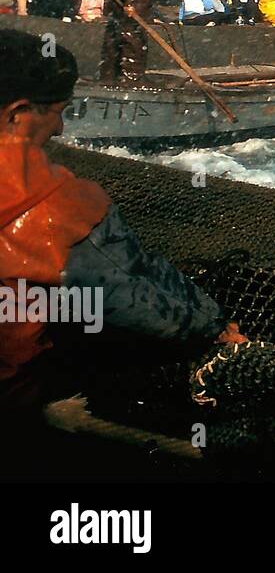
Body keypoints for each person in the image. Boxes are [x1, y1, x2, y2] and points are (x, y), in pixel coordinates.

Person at [0, 29, 244, 413]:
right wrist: (214, 331)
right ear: (17, 113)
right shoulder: (57, 208)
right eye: (58, 112)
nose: (61, 129)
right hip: (20, 396)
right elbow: (130, 298)